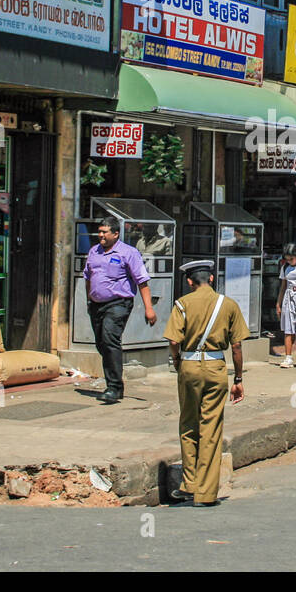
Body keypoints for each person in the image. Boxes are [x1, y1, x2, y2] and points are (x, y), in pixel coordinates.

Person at [165, 260, 248, 506]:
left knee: (188, 424)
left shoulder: (182, 304)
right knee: (210, 428)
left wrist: (178, 361)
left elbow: (172, 340)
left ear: (190, 281)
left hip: (189, 367)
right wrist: (239, 378)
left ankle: (189, 483)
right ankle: (206, 492)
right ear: (211, 279)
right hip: (215, 368)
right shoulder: (229, 305)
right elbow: (237, 346)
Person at [84, 216, 157, 404]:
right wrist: (88, 300)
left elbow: (142, 281)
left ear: (116, 234)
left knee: (110, 339)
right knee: (102, 343)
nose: (100, 235)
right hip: (96, 305)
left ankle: (114, 388)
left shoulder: (129, 253)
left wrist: (149, 309)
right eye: (99, 231)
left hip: (118, 304)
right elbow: (88, 277)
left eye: (104, 232)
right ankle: (115, 382)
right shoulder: (94, 252)